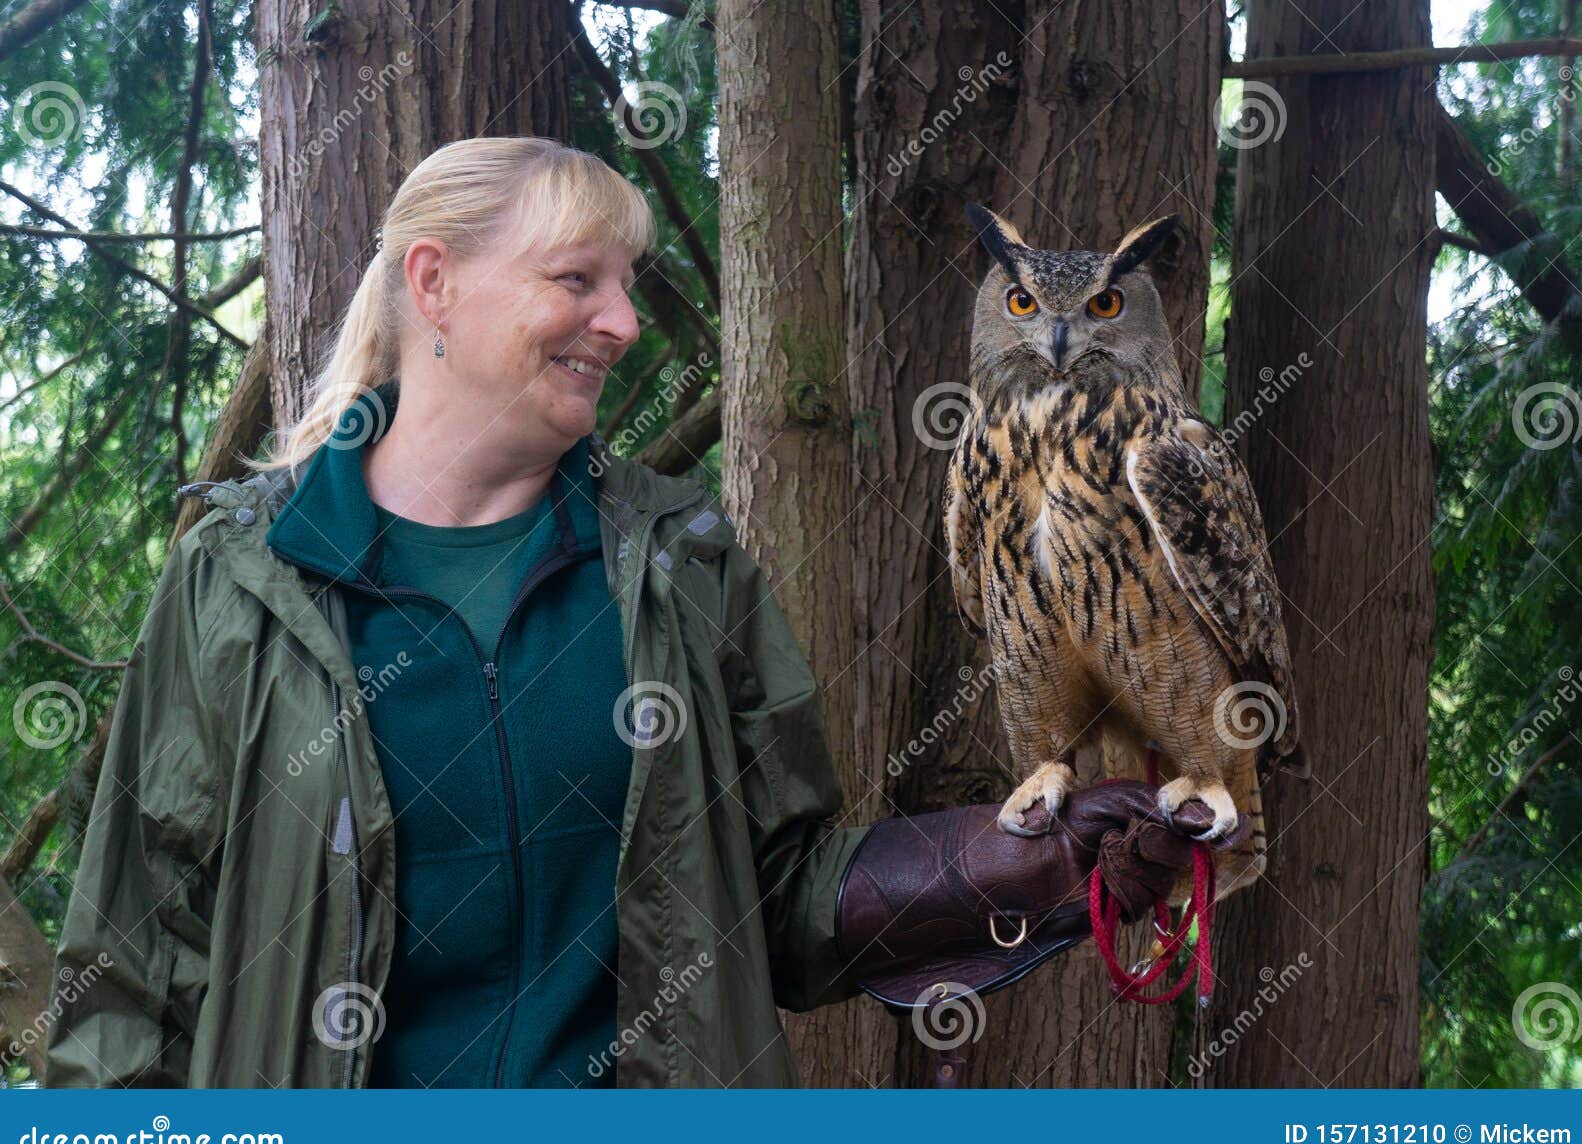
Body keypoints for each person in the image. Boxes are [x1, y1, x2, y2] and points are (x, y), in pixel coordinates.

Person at [44, 137, 1221, 1089]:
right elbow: (128, 968)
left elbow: (777, 900)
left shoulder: (683, 563)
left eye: (624, 286)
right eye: (576, 282)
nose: (621, 321)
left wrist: (999, 870)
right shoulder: (240, 581)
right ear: (434, 283)